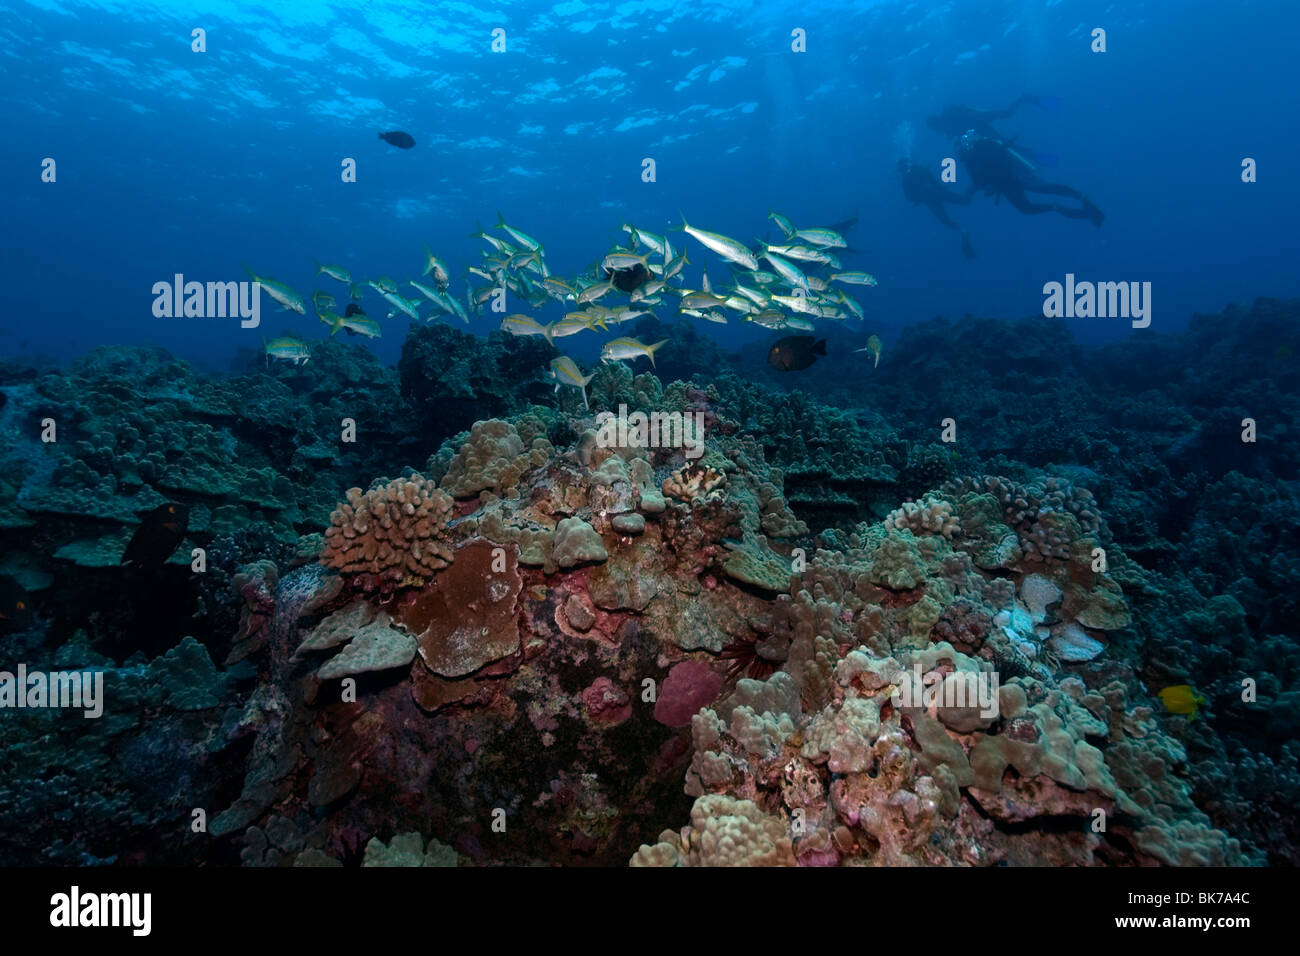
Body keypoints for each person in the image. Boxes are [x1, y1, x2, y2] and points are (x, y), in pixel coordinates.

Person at [956, 130, 1104, 227]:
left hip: (1015, 175)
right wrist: (969, 194)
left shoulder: (981, 154)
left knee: (1042, 189)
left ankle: (1080, 198)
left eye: (961, 153)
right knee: (1027, 206)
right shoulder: (971, 164)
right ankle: (1061, 206)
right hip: (1008, 184)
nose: (961, 157)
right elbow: (977, 183)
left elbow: (996, 165)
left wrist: (977, 190)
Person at [898, 158, 977, 258]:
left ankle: (962, 230)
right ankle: (976, 186)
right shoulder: (918, 168)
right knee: (962, 201)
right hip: (938, 191)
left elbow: (910, 198)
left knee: (945, 220)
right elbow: (932, 179)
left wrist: (920, 196)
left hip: (929, 200)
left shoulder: (905, 180)